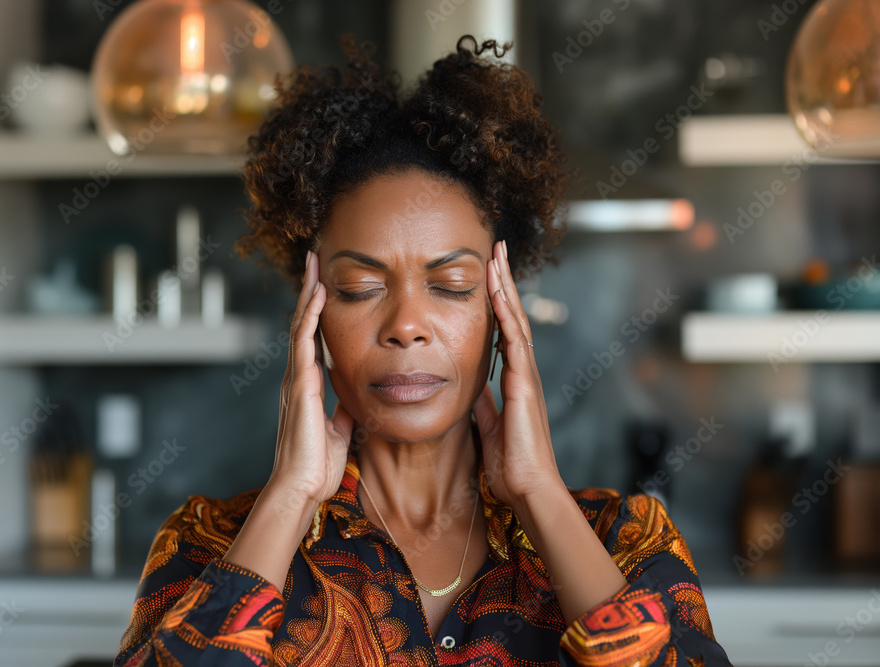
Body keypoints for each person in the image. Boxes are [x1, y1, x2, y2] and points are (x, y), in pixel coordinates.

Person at [113, 34, 733, 666]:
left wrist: (539, 493)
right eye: (360, 288)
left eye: (452, 285)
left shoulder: (626, 545)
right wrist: (290, 498)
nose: (406, 325)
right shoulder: (206, 546)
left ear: (501, 309)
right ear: (312, 312)